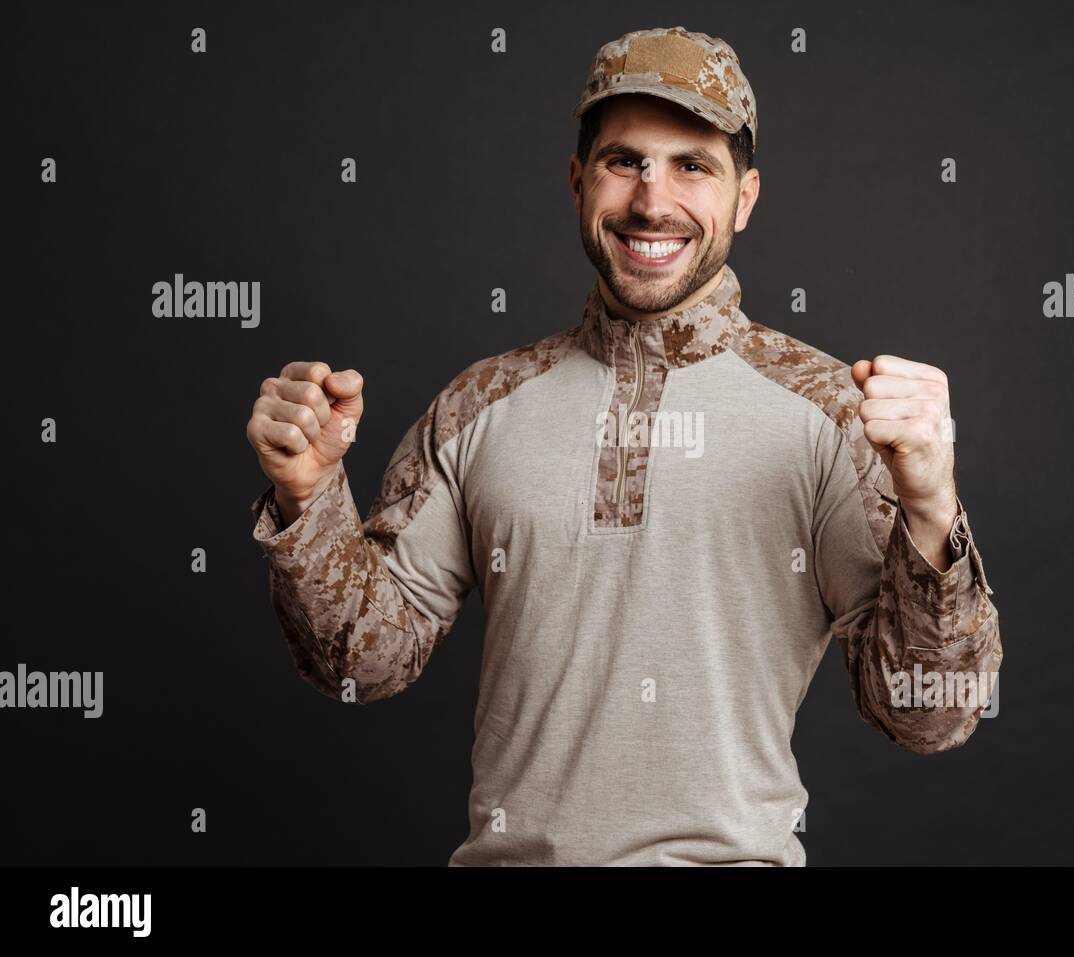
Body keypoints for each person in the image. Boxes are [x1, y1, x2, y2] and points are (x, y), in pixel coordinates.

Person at [245, 25, 1002, 866]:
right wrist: (307, 498)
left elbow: (929, 714)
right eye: (624, 161)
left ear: (745, 197)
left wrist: (933, 508)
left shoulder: (832, 415)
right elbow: (364, 659)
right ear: (577, 182)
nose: (652, 201)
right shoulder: (478, 403)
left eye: (692, 165)